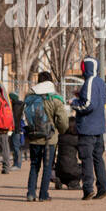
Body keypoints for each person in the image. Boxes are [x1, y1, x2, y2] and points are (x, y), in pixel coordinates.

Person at [23, 72, 70, 200]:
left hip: (33, 137)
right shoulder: (55, 99)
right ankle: (44, 194)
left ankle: (31, 193)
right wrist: (62, 130)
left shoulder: (30, 98)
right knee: (47, 167)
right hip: (50, 138)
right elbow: (62, 120)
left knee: (34, 165)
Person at [70, 57, 106, 200]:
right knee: (98, 158)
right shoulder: (100, 82)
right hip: (98, 127)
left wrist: (73, 102)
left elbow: (88, 105)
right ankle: (103, 187)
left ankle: (88, 189)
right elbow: (97, 100)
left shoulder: (90, 81)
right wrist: (80, 94)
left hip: (87, 128)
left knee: (86, 159)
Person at [9, 88, 24, 170]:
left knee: (16, 147)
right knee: (16, 146)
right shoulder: (18, 105)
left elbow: (15, 119)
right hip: (17, 128)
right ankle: (17, 163)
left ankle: (17, 164)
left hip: (16, 129)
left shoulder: (16, 106)